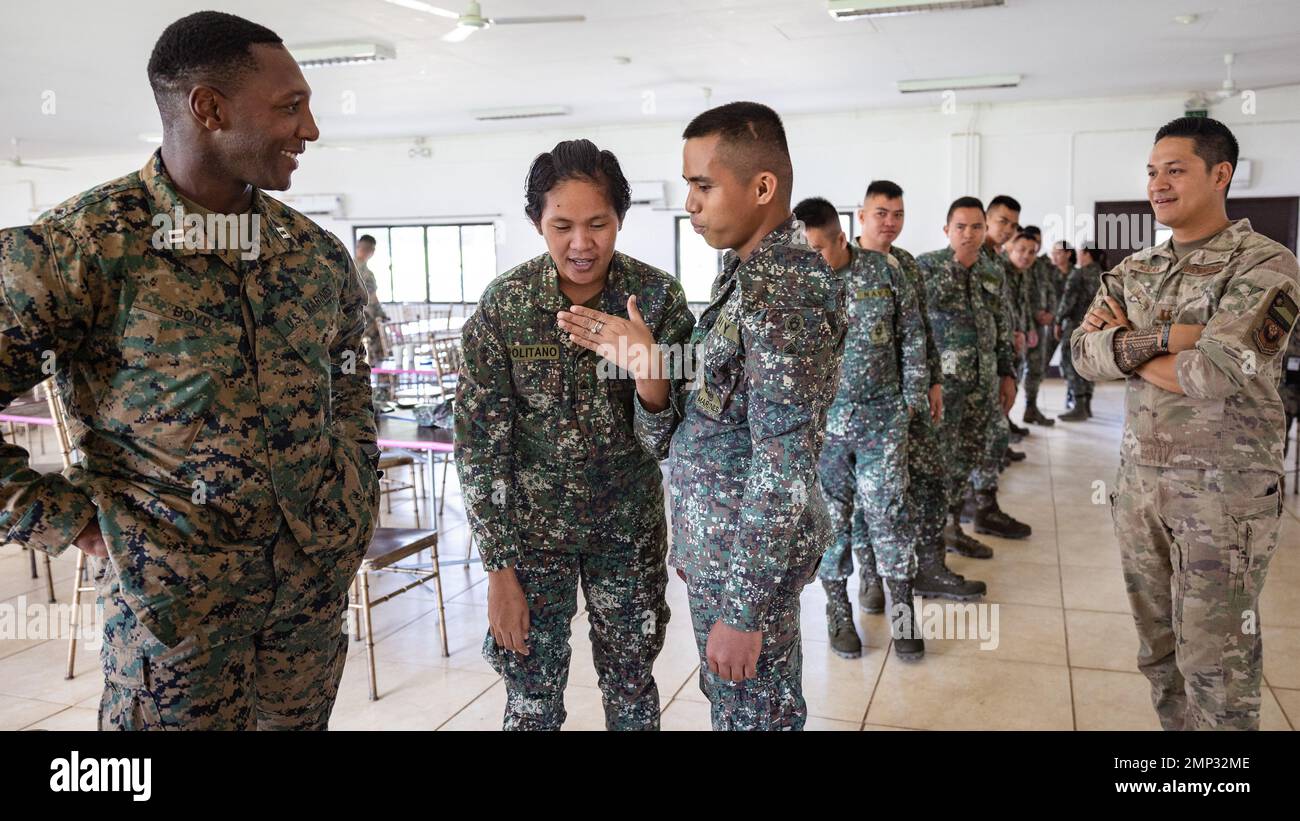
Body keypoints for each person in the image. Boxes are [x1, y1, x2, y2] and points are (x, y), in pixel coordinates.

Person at [0, 11, 380, 729]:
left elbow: (349, 380)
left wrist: (351, 490)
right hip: (176, 629)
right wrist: (71, 522)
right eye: (290, 107)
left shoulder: (313, 254)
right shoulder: (83, 247)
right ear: (208, 107)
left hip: (303, 616)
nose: (311, 130)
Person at [575, 102, 845, 730]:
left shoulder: (785, 293)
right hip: (719, 556)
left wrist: (745, 611)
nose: (690, 203)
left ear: (761, 187)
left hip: (744, 570)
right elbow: (696, 421)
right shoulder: (743, 277)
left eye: (703, 185)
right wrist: (649, 368)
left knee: (756, 719)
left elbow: (784, 469)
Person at [455, 139, 693, 730]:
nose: (581, 244)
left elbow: (677, 438)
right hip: (533, 540)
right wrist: (499, 569)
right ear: (537, 221)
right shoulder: (506, 306)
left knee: (633, 687)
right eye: (561, 225)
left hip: (628, 533)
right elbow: (481, 447)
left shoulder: (658, 300)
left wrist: (651, 371)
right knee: (530, 699)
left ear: (620, 220)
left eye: (598, 224)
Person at [1072, 116, 1299, 730]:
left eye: (1175, 170)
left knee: (1215, 663)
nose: (1158, 184)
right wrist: (1170, 339)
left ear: (1220, 174)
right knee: (1158, 652)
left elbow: (1215, 375)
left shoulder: (1267, 266)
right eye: (1152, 171)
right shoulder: (1136, 268)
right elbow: (1081, 356)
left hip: (1224, 499)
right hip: (1141, 489)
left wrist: (1128, 346)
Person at [795, 196, 927, 661]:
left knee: (889, 514)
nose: (812, 259)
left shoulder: (884, 271)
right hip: (824, 428)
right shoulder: (801, 281)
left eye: (818, 249)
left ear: (840, 238)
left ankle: (904, 613)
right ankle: (837, 611)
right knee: (831, 522)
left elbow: (911, 333)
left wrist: (912, 399)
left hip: (881, 420)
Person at [917, 198, 1018, 561]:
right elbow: (917, 323)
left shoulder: (994, 270)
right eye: (961, 227)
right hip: (944, 387)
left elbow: (1002, 325)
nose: (969, 234)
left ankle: (953, 527)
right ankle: (929, 541)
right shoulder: (926, 266)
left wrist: (1008, 373)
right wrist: (958, 267)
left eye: (977, 227)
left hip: (983, 384)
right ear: (947, 230)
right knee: (938, 461)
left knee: (968, 458)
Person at [964, 195, 1032, 539]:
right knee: (971, 441)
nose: (1007, 229)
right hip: (963, 373)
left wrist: (1007, 367)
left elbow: (1000, 317)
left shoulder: (996, 263)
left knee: (991, 436)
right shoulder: (960, 260)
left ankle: (983, 506)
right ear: (987, 219)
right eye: (1002, 221)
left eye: (1013, 224)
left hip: (994, 365)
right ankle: (972, 507)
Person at [1056, 244, 1106, 421]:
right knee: (1089, 364)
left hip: (1076, 327)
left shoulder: (1078, 274)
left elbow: (1067, 301)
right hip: (1097, 329)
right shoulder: (1104, 274)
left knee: (1070, 363)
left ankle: (1078, 405)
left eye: (1079, 252)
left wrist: (1057, 320)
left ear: (1086, 253)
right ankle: (1087, 406)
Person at [1019, 225, 1056, 426]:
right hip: (1023, 325)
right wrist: (1032, 318)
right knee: (1014, 371)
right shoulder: (1019, 263)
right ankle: (1005, 417)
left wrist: (1051, 313)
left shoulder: (1042, 265)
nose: (1036, 245)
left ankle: (1031, 407)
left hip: (1041, 325)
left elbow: (1050, 289)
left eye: (1038, 242)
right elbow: (1021, 297)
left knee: (1036, 368)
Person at [354, 234, 388, 360]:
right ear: (371, 251)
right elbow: (372, 299)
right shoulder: (366, 274)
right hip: (364, 318)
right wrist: (381, 315)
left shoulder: (346, 267)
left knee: (352, 355)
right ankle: (382, 375)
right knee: (379, 344)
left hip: (346, 321)